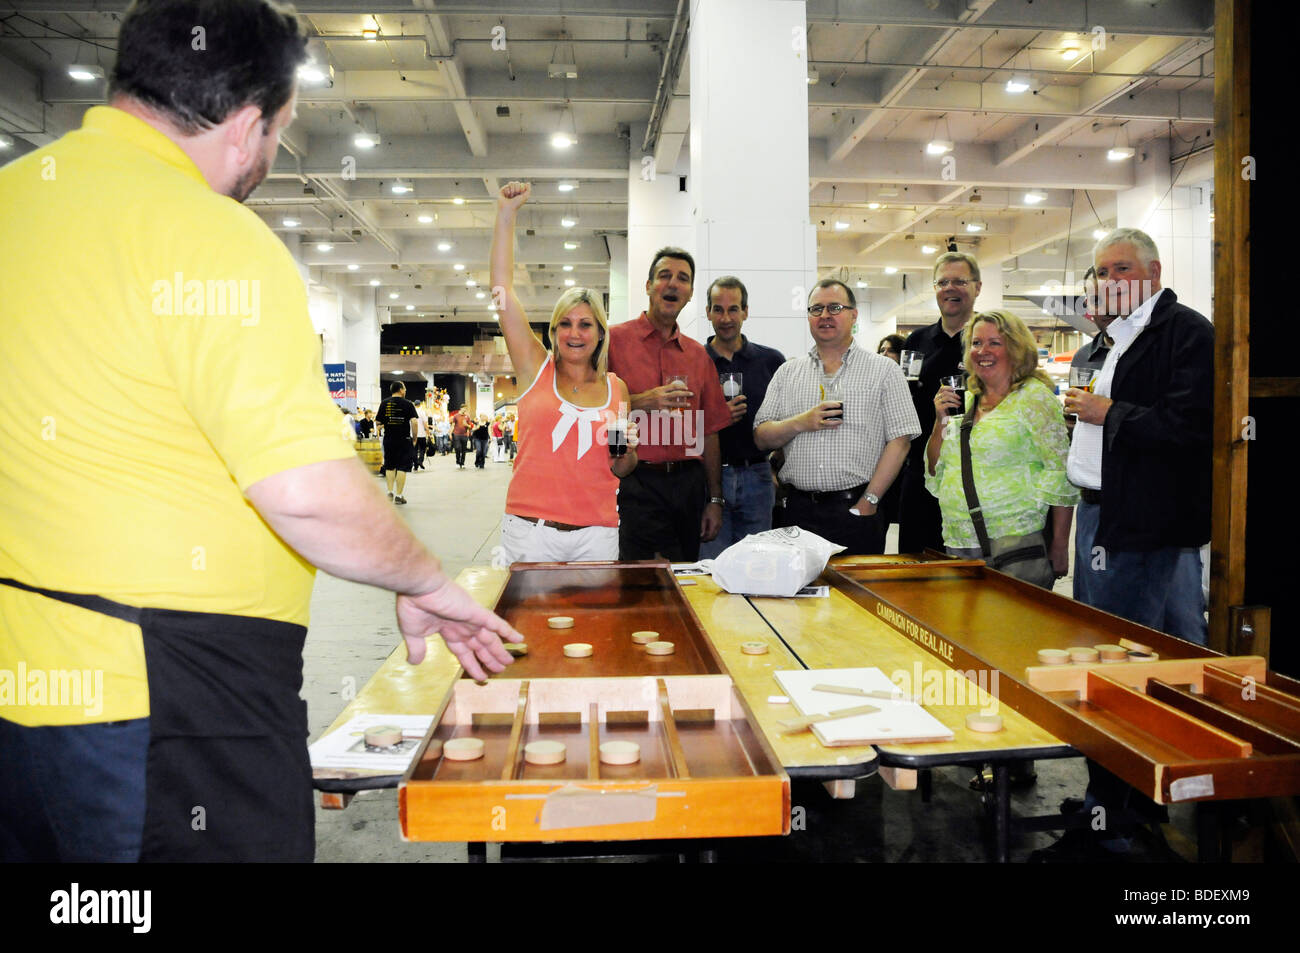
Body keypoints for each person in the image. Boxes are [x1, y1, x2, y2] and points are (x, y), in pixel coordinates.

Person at [0, 0, 520, 864]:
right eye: (280, 131)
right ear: (247, 126)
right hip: (169, 702)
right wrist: (428, 577)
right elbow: (308, 493)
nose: (271, 156)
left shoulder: (15, 200)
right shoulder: (209, 235)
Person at [1065, 226, 1212, 644]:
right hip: (1101, 511)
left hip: (1145, 520)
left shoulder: (1187, 332)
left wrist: (1110, 413)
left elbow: (1188, 425)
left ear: (1154, 271)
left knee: (1135, 642)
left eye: (1122, 269)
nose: (1109, 280)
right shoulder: (1121, 336)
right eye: (1102, 271)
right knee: (1101, 631)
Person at [490, 182, 640, 562]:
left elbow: (622, 467)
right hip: (531, 534)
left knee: (596, 624)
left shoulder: (615, 388)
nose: (575, 333)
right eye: (566, 323)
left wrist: (628, 452)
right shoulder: (533, 369)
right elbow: (501, 290)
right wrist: (506, 215)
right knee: (528, 624)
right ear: (554, 331)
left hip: (598, 534)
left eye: (586, 324)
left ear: (601, 333)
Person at [754, 279, 919, 555]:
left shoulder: (884, 371)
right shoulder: (788, 372)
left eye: (835, 307)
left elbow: (901, 440)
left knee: (858, 597)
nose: (825, 316)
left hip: (857, 510)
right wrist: (800, 423)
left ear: (854, 315)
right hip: (798, 513)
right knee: (800, 597)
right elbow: (761, 437)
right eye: (816, 309)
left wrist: (870, 499)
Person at [924, 310, 1077, 587]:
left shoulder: (1033, 397)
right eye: (976, 343)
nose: (983, 351)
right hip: (959, 541)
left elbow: (1060, 472)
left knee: (1013, 629)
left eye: (995, 342)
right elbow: (936, 470)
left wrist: (1059, 544)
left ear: (1016, 348)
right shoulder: (968, 399)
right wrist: (940, 421)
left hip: (1016, 542)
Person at [607, 248, 731, 561]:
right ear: (648, 285)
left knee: (683, 577)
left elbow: (710, 431)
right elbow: (594, 412)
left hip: (687, 482)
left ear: (690, 295)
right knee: (637, 582)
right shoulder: (613, 342)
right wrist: (638, 402)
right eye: (664, 276)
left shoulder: (697, 356)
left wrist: (714, 499)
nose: (673, 284)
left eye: (683, 279)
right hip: (633, 481)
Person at [899, 252, 983, 555]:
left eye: (960, 281)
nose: (950, 288)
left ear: (978, 287)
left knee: (966, 569)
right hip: (921, 471)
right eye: (943, 282)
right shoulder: (916, 342)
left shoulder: (988, 342)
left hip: (974, 473)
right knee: (915, 563)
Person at [697, 276, 786, 558]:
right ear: (708, 312)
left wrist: (775, 471)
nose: (726, 318)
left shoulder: (771, 361)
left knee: (758, 567)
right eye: (718, 309)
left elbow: (787, 421)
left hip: (758, 477)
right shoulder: (695, 360)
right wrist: (716, 417)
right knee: (711, 570)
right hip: (708, 480)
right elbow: (681, 424)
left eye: (733, 309)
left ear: (746, 311)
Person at [377, 382, 418, 504]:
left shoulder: (384, 403)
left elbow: (378, 423)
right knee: (402, 467)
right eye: (404, 389)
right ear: (400, 390)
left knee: (389, 465)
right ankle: (399, 496)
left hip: (389, 439)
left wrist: (387, 426)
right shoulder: (408, 404)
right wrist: (414, 438)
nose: (405, 391)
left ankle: (390, 492)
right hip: (403, 439)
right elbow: (414, 422)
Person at [414, 401, 429, 470]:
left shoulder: (411, 412)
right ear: (420, 404)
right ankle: (420, 461)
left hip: (413, 434)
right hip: (422, 434)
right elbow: (425, 423)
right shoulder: (422, 412)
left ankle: (415, 465)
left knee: (414, 450)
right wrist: (428, 432)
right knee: (422, 449)